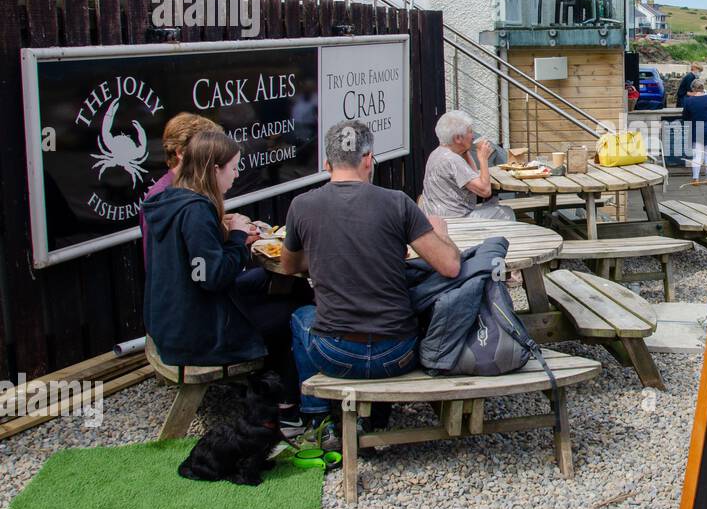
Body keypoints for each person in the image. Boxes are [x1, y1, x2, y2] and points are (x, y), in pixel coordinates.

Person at [283, 121, 462, 431]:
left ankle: (317, 417)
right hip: (398, 353)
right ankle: (372, 417)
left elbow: (289, 266)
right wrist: (440, 232)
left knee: (301, 316)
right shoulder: (396, 202)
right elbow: (450, 265)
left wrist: (328, 247)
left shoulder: (302, 206)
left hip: (334, 353)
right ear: (368, 159)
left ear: (327, 163)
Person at [142, 130, 265, 370]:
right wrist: (238, 238)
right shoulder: (196, 212)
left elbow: (194, 262)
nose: (237, 174)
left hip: (169, 324)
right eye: (234, 167)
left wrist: (226, 234)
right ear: (215, 169)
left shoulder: (171, 200)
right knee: (291, 313)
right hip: (197, 338)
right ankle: (277, 399)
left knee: (262, 280)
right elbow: (211, 277)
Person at [140, 112, 222, 268]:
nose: (214, 157)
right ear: (181, 153)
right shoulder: (165, 196)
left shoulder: (175, 191)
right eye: (206, 149)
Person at [418, 109, 515, 222]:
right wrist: (483, 159)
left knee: (492, 203)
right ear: (458, 138)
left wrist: (466, 150)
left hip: (437, 217)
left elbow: (473, 175)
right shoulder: (452, 160)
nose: (472, 135)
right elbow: (485, 191)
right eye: (470, 131)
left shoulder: (437, 153)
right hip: (456, 221)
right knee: (506, 212)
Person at [680, 79, 707, 186]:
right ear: (703, 88)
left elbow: (685, 117)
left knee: (697, 155)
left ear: (693, 88)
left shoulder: (689, 100)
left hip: (697, 129)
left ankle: (696, 179)